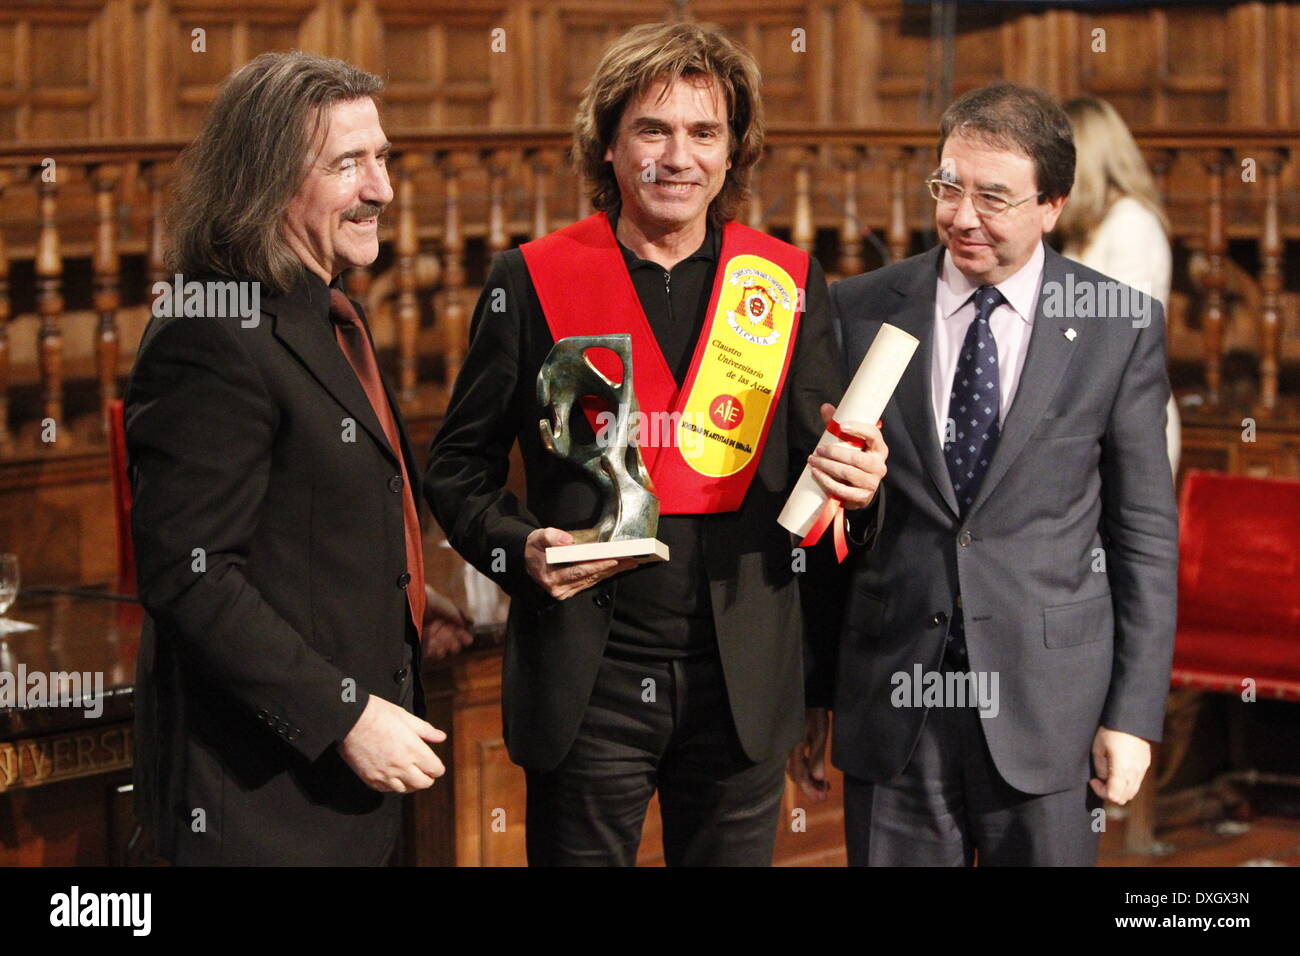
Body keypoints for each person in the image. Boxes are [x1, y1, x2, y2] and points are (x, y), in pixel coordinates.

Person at [424, 21, 885, 866]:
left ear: (733, 151)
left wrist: (864, 485)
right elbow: (455, 466)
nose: (679, 157)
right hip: (586, 682)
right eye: (653, 130)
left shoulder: (784, 281)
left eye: (704, 132)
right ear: (608, 145)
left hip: (740, 682)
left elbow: (833, 482)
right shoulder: (530, 281)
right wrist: (515, 549)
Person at [791, 82, 1178, 865]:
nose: (962, 216)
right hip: (895, 701)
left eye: (993, 197)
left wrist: (1133, 717)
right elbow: (831, 517)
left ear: (1052, 204)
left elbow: (1142, 537)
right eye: (948, 187)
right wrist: (813, 694)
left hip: (1048, 708)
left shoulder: (1117, 325)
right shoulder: (861, 307)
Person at [125, 51, 470, 866]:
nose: (381, 188)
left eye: (381, 158)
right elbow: (192, 574)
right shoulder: (209, 330)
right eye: (348, 164)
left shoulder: (326, 311)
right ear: (266, 180)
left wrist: (407, 602)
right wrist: (347, 716)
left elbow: (314, 513)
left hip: (347, 802)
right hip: (257, 806)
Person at [1056, 94, 1180, 473]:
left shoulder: (1131, 224)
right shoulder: (1084, 229)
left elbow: (1123, 332)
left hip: (1126, 416)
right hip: (1087, 412)